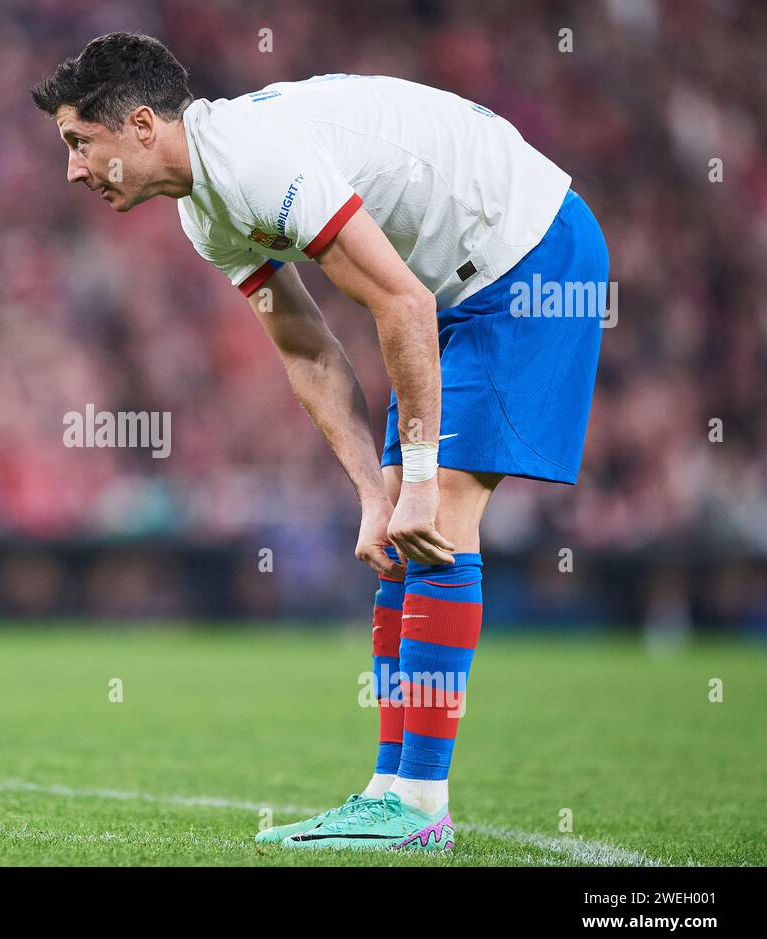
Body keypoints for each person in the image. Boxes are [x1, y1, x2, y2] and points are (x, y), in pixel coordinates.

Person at [31, 32, 608, 851]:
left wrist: (413, 477)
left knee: (437, 514)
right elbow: (304, 346)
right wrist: (373, 494)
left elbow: (400, 305)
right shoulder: (206, 211)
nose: (73, 169)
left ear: (144, 126)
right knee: (400, 538)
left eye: (79, 142)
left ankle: (418, 805)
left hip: (533, 258)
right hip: (460, 285)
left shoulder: (255, 159)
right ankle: (390, 791)